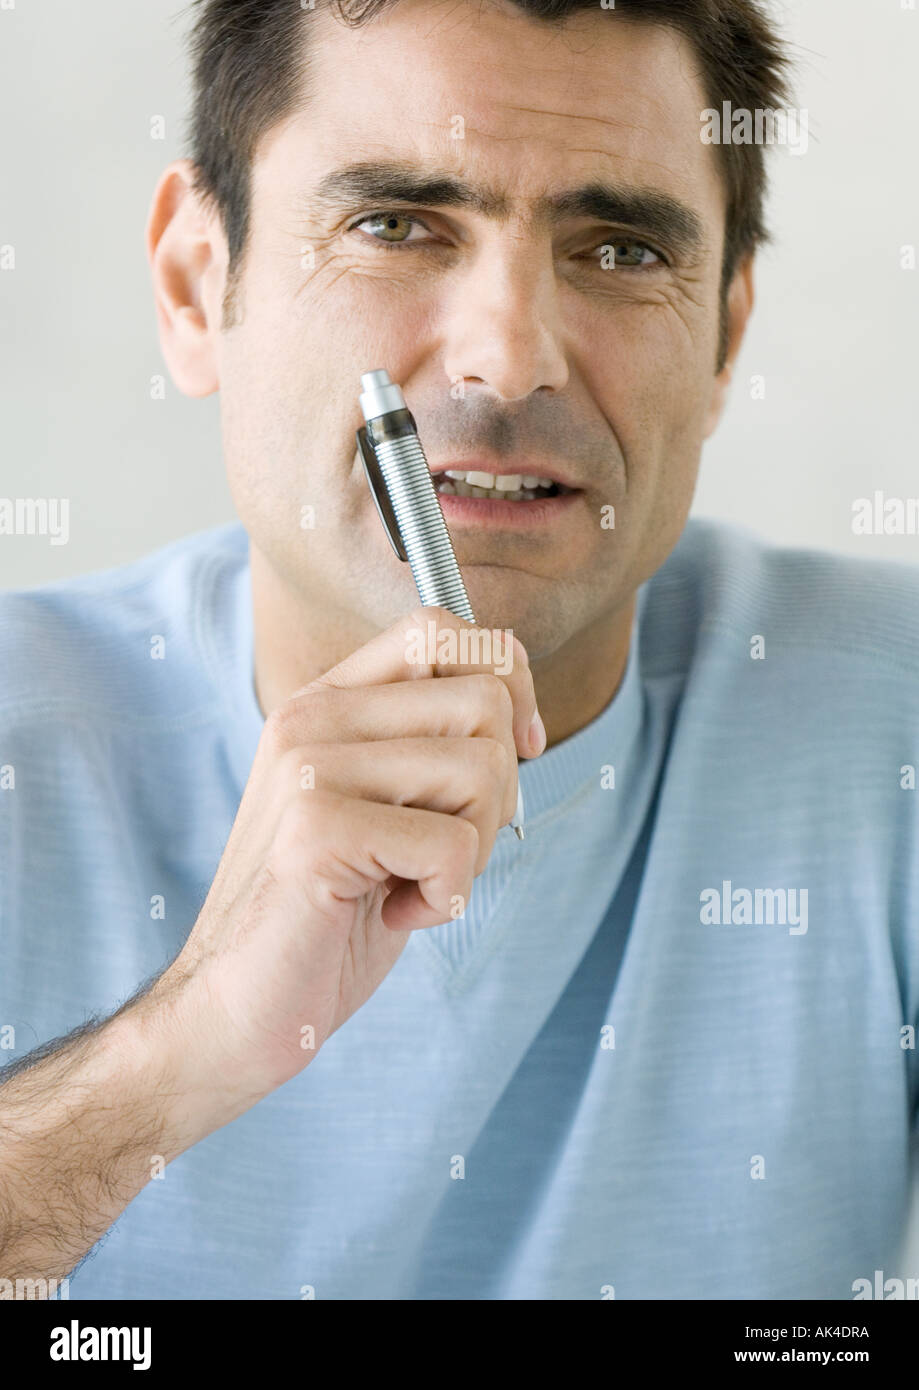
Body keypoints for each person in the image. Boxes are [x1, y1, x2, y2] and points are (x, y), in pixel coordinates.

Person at [1, 0, 916, 1301]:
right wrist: (178, 1047)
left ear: (726, 337)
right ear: (197, 288)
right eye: (395, 224)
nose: (509, 355)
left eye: (619, 247)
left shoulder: (892, 729)